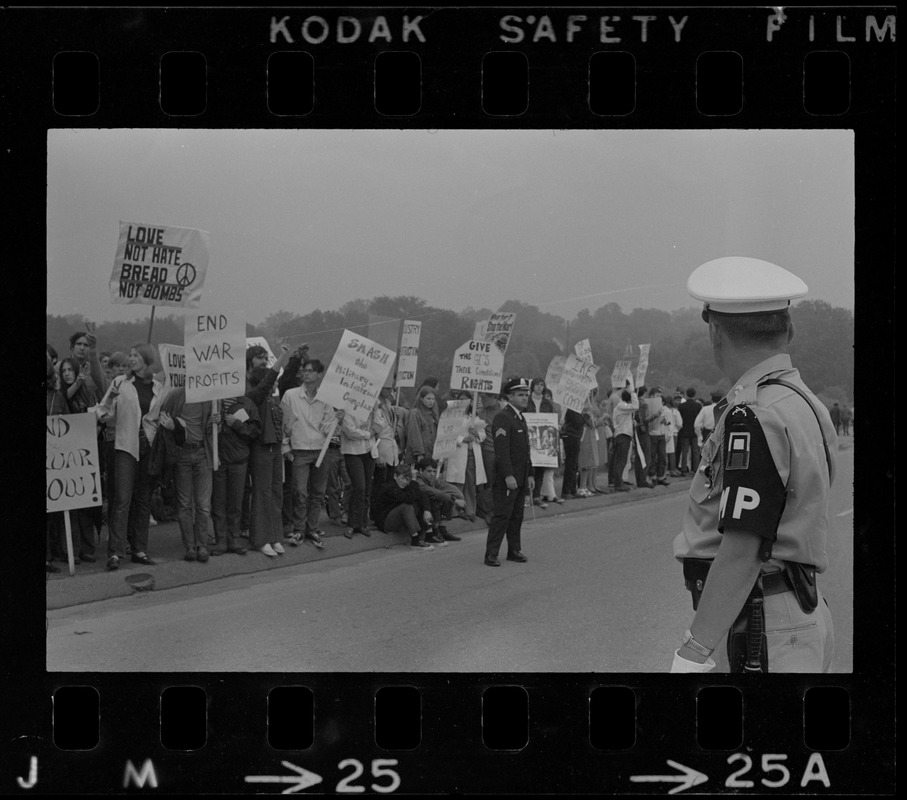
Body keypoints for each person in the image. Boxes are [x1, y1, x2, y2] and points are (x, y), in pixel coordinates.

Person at [671, 256, 838, 674]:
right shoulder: (804, 402)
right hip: (791, 615)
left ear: (715, 332)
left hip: (762, 625)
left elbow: (744, 547)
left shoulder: (755, 413)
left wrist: (694, 650)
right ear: (790, 329)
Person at [95, 343, 168, 570]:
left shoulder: (159, 387)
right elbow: (103, 414)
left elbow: (159, 416)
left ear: (146, 360)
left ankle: (139, 549)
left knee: (143, 500)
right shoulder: (120, 383)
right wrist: (110, 399)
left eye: (136, 355)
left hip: (149, 446)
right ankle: (115, 552)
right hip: (126, 446)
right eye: (131, 355)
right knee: (122, 500)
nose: (131, 358)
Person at [159, 387, 221, 563]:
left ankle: (202, 545)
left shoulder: (210, 396)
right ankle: (190, 546)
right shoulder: (176, 395)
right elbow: (162, 416)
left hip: (203, 453)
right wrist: (171, 426)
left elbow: (214, 431)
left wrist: (217, 422)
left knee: (203, 504)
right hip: (182, 454)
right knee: (185, 503)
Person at [280, 357, 336, 549]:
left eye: (311, 370)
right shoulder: (290, 395)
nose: (306, 373)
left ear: (319, 374)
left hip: (321, 450)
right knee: (299, 491)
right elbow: (284, 423)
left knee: (318, 493)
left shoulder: (327, 397)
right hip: (300, 449)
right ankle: (298, 528)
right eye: (304, 370)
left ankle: (311, 528)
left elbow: (329, 427)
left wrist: (339, 419)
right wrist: (285, 447)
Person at [246, 344, 294, 557]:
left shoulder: (273, 400)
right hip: (262, 450)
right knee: (262, 494)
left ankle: (275, 537)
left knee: (276, 493)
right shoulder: (255, 397)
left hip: (275, 450)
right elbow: (268, 380)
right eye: (270, 380)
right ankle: (260, 539)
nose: (274, 383)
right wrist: (283, 357)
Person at [484, 377, 534, 567]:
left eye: (525, 395)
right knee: (502, 515)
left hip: (521, 476)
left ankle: (514, 550)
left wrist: (529, 474)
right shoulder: (503, 418)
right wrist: (508, 475)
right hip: (508, 477)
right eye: (520, 395)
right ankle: (491, 553)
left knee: (517, 516)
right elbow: (501, 451)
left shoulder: (520, 418)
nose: (524, 398)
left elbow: (525, 450)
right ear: (510, 396)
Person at [57, 357, 100, 563]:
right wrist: (78, 382)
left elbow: (96, 414)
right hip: (66, 455)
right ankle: (71, 551)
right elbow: (64, 398)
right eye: (63, 370)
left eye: (69, 370)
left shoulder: (87, 391)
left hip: (86, 452)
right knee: (70, 504)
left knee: (86, 502)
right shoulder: (59, 395)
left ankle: (87, 548)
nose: (66, 373)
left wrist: (97, 426)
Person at [210, 389, 262, 556]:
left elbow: (255, 431)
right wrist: (212, 423)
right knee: (218, 503)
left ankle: (234, 539)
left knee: (236, 503)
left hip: (239, 460)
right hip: (218, 459)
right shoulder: (212, 401)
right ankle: (221, 541)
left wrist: (237, 424)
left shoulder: (246, 403)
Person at [372, 462, 435, 549]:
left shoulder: (407, 486)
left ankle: (429, 535)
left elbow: (422, 495)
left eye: (407, 479)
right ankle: (415, 540)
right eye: (402, 478)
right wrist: (413, 486)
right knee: (406, 506)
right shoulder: (390, 487)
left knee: (419, 502)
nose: (404, 482)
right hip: (386, 521)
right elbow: (406, 499)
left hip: (399, 519)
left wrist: (427, 510)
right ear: (395, 476)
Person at [444, 397, 487, 521]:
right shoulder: (452, 415)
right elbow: (447, 433)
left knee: (471, 482)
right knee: (458, 483)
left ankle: (470, 510)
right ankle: (456, 511)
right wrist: (462, 439)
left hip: (472, 453)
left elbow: (483, 434)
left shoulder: (474, 416)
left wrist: (476, 433)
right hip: (458, 452)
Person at [338, 407, 376, 539]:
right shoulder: (349, 407)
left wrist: (376, 410)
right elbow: (349, 431)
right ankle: (351, 523)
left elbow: (379, 427)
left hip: (370, 450)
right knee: (359, 487)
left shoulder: (374, 407)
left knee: (367, 489)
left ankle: (362, 523)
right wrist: (367, 434)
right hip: (353, 451)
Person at [46, 355, 69, 572]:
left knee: (52, 509)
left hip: (55, 459)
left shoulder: (58, 397)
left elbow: (68, 424)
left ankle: (50, 553)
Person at [414, 457, 464, 543]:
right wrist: (454, 500)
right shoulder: (418, 482)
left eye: (434, 471)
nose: (432, 474)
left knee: (446, 497)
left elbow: (454, 491)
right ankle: (431, 532)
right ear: (421, 471)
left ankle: (442, 529)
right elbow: (433, 492)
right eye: (429, 471)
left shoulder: (433, 481)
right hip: (419, 512)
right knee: (437, 499)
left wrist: (458, 497)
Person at [608, 385, 639, 492]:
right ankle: (618, 483)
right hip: (623, 435)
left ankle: (619, 482)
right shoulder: (621, 406)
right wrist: (633, 393)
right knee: (621, 461)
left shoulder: (621, 407)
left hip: (621, 434)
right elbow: (635, 406)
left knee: (620, 460)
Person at [405, 385, 439, 463]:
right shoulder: (415, 413)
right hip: (418, 456)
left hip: (431, 454)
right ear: (421, 399)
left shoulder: (433, 414)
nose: (431, 401)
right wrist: (419, 453)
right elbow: (414, 434)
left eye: (433, 399)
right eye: (428, 399)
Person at [559, 407, 584, 498]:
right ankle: (566, 490)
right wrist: (585, 417)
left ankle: (573, 489)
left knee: (574, 464)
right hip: (571, 436)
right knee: (571, 463)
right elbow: (577, 422)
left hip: (576, 435)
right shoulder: (572, 409)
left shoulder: (577, 409)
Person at [646, 387, 669, 486]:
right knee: (652, 456)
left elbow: (667, 422)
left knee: (662, 457)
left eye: (660, 396)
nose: (659, 398)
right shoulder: (648, 406)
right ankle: (652, 476)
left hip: (661, 433)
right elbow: (647, 420)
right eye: (657, 396)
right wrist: (656, 414)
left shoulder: (663, 408)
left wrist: (665, 421)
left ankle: (661, 476)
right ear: (652, 396)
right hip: (652, 434)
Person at [677, 387, 703, 475]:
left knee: (684, 451)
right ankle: (695, 469)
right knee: (695, 451)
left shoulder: (681, 406)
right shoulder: (698, 406)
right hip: (694, 431)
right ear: (694, 394)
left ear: (686, 395)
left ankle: (683, 469)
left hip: (684, 430)